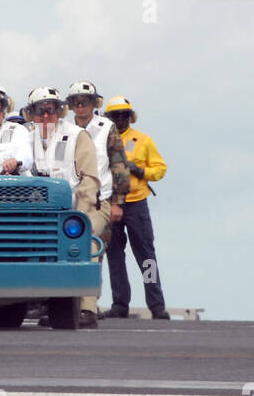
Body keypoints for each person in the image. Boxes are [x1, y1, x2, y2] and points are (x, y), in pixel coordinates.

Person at [25, 87, 103, 327]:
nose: (46, 116)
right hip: (39, 211)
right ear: (32, 114)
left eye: (51, 110)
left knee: (84, 241)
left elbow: (89, 180)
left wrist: (80, 215)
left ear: (59, 111)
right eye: (40, 111)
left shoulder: (78, 136)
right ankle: (43, 303)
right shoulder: (25, 138)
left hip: (77, 207)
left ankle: (87, 308)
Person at [103, 96, 172, 321]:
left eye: (124, 114)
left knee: (146, 256)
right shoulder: (103, 139)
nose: (121, 119)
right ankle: (119, 304)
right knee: (114, 256)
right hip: (111, 201)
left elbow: (160, 169)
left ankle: (157, 304)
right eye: (116, 115)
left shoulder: (143, 140)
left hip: (136, 203)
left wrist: (140, 171)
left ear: (131, 116)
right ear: (109, 118)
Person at [66, 81, 130, 319]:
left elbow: (118, 164)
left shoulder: (106, 127)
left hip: (99, 201)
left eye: (86, 101)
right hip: (70, 203)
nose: (81, 105)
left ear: (95, 103)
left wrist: (117, 201)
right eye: (76, 101)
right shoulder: (64, 129)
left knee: (90, 246)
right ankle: (69, 305)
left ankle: (87, 307)